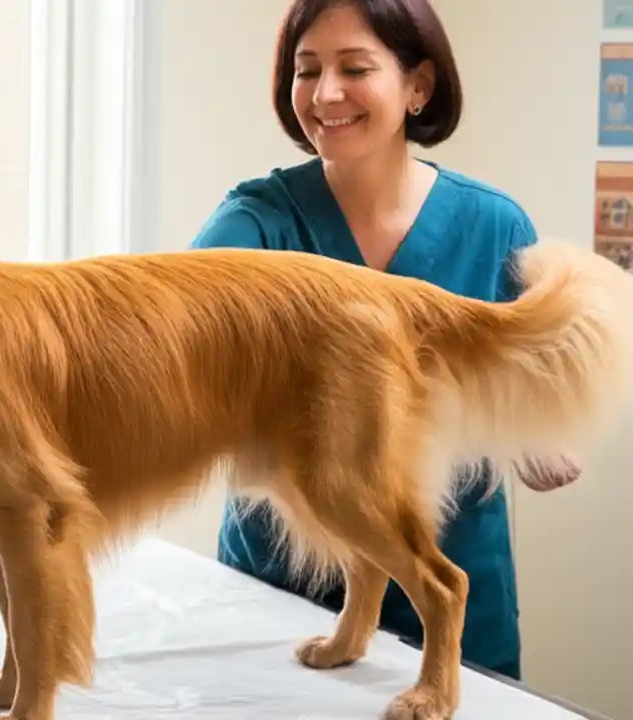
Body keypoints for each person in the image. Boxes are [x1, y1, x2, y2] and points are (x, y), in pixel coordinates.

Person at [189, 0, 540, 679]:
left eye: (355, 68)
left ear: (418, 87)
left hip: (446, 593)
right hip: (276, 598)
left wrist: (533, 431)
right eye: (306, 69)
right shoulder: (255, 220)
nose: (324, 94)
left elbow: (535, 403)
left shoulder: (495, 226)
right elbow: (181, 339)